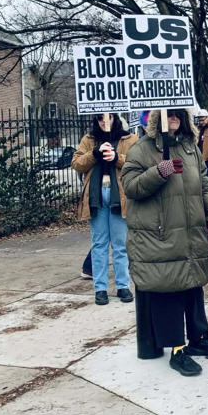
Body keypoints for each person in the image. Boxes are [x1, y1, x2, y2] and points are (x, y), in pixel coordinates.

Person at [121, 108, 208, 377]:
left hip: (190, 232)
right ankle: (177, 349)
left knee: (193, 287)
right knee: (169, 290)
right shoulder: (142, 149)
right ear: (158, 118)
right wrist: (159, 172)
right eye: (170, 115)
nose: (175, 119)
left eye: (179, 115)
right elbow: (131, 186)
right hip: (162, 235)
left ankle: (199, 338)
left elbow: (204, 183)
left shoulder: (190, 146)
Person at [72, 113, 137, 305]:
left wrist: (117, 157)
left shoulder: (129, 139)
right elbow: (76, 163)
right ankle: (100, 288)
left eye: (108, 117)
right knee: (99, 244)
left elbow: (136, 163)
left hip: (120, 196)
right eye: (100, 118)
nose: (104, 121)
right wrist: (94, 154)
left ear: (116, 118)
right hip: (96, 196)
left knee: (120, 245)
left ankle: (123, 286)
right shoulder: (89, 139)